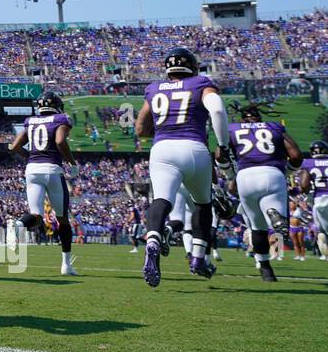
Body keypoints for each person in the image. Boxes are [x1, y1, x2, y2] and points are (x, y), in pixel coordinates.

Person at [134, 47, 230, 287]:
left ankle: (154, 238)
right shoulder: (200, 83)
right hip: (194, 148)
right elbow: (217, 109)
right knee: (202, 205)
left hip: (163, 149)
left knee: (161, 200)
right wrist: (223, 145)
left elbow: (140, 129)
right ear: (194, 67)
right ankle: (198, 257)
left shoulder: (154, 88)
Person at [225, 102, 302, 282]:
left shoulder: (233, 129)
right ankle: (274, 219)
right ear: (259, 116)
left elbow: (220, 154)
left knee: (256, 228)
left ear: (243, 118)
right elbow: (297, 156)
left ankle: (265, 269)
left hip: (245, 176)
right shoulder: (274, 127)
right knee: (278, 227)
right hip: (272, 173)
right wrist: (286, 172)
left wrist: (230, 177)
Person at [7, 90, 77, 275]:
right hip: (52, 170)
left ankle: (18, 225)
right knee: (62, 218)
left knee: (36, 216)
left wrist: (30, 157)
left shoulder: (30, 121)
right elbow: (60, 141)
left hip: (32, 170)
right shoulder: (60, 119)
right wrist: (72, 162)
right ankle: (66, 265)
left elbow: (14, 147)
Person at [296, 139, 328, 260]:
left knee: (322, 230)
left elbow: (304, 185)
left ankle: (324, 248)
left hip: (319, 199)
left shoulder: (308, 163)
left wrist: (303, 193)